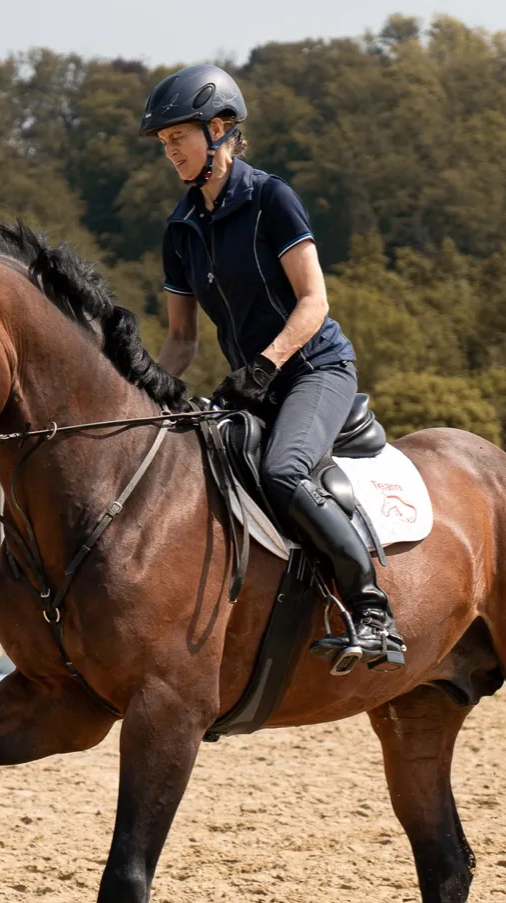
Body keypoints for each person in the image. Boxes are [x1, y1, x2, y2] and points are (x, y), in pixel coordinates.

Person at [143, 64, 404, 673]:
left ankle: (372, 610)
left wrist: (264, 365)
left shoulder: (270, 199)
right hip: (250, 386)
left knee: (284, 473)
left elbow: (314, 303)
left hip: (314, 369)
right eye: (163, 143)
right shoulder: (180, 230)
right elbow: (181, 340)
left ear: (218, 130)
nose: (170, 151)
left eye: (177, 137)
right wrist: (146, 399)